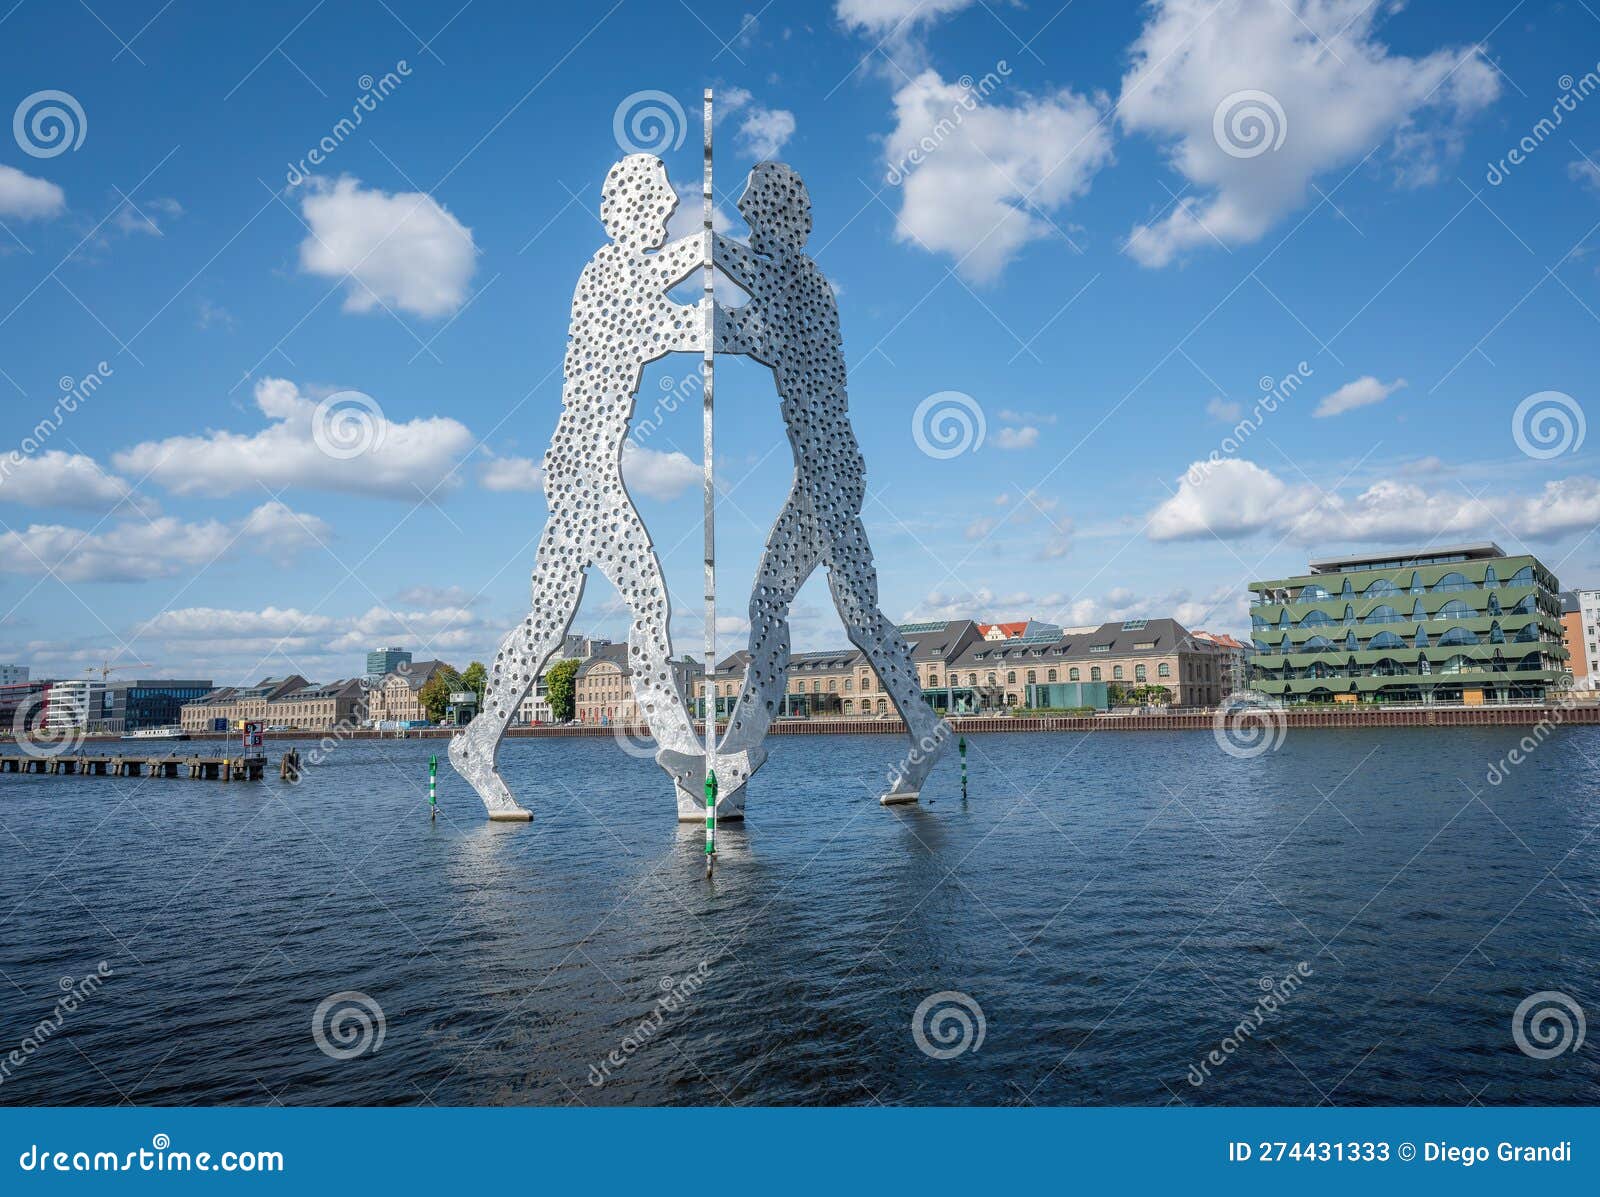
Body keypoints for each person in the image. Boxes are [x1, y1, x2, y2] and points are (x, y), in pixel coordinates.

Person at [450, 155, 707, 818]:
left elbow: (664, 311)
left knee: (546, 620)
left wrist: (706, 277)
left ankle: (477, 742)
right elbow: (657, 325)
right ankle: (687, 770)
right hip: (583, 473)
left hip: (577, 469)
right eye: (658, 201)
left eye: (671, 204)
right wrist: (708, 260)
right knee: (649, 607)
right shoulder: (606, 271)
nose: (666, 210)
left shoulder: (628, 273)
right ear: (625, 209)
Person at [706, 163, 951, 805]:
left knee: (775, 603)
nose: (742, 209)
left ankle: (742, 752)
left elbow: (742, 320)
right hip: (832, 469)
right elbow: (748, 325)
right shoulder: (798, 284)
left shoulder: (795, 276)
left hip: (828, 474)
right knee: (857, 618)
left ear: (779, 215)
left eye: (752, 205)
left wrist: (689, 260)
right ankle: (925, 730)